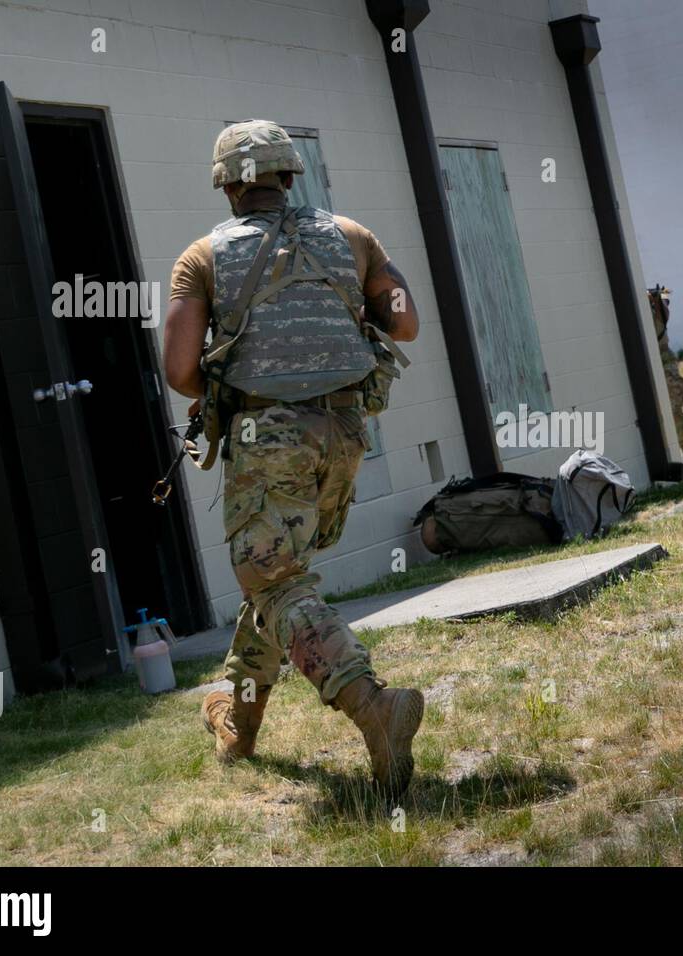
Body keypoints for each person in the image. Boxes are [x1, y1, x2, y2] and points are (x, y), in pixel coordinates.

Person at [162, 119, 423, 797]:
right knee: (273, 581)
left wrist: (235, 376)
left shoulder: (202, 258)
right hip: (343, 434)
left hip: (267, 442)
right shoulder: (353, 236)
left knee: (274, 581)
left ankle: (374, 708)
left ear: (227, 186)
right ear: (289, 174)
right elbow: (405, 321)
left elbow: (180, 370)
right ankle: (238, 727)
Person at [647, 285, 683, 473]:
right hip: (646, 363)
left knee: (674, 410)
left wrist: (654, 299)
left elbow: (665, 308)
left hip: (664, 360)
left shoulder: (656, 305)